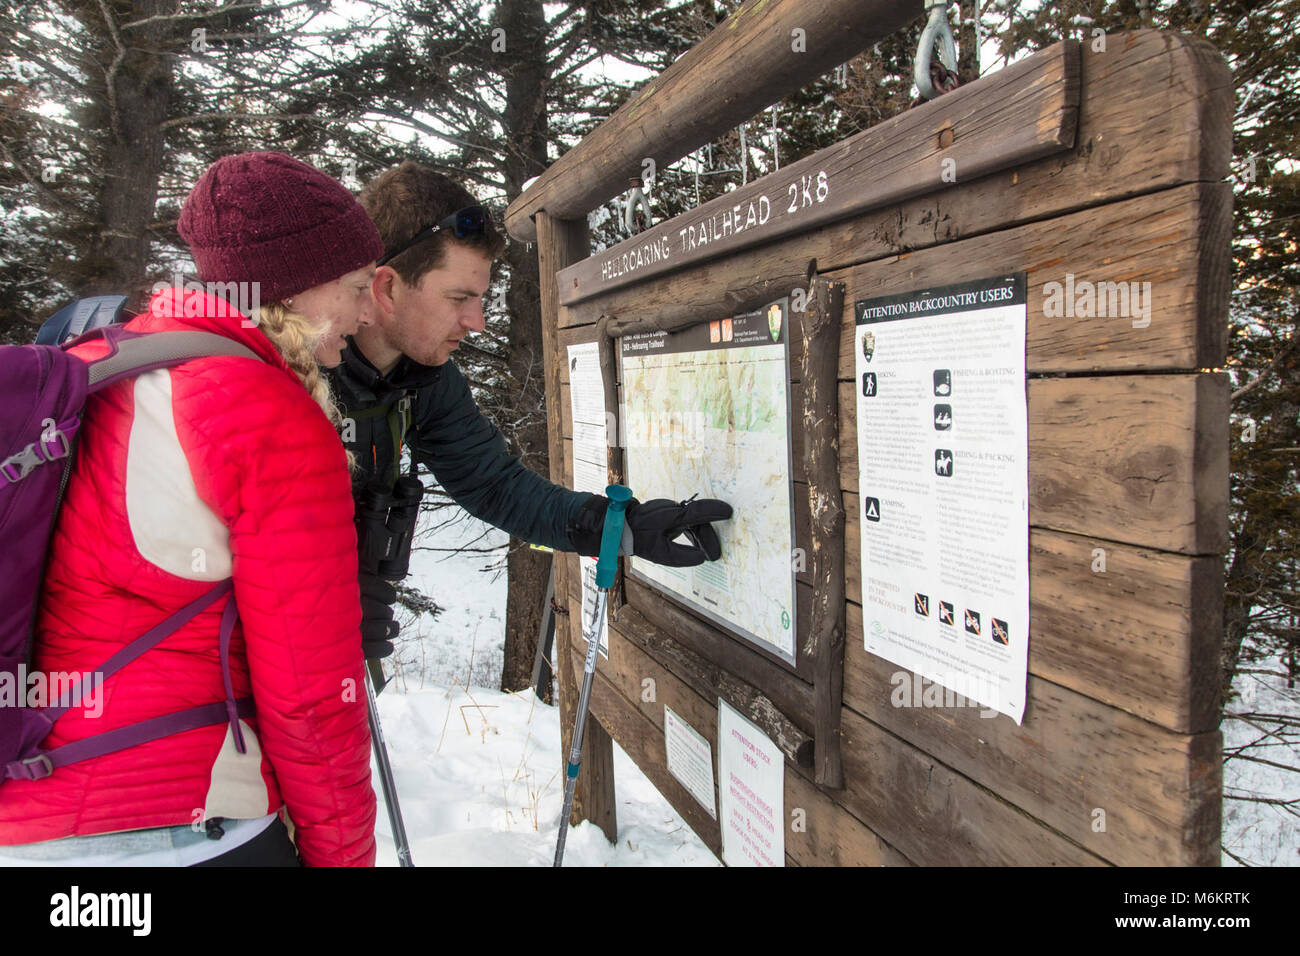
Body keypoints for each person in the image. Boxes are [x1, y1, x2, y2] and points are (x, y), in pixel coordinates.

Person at [0, 152, 382, 866]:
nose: (367, 312)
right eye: (357, 286)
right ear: (292, 290)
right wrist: (345, 857)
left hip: (28, 824)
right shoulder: (268, 415)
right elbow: (309, 696)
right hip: (181, 822)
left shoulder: (103, 366)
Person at [328, 161, 734, 664]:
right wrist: (317, 610)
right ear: (387, 288)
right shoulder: (292, 373)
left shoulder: (423, 379)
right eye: (459, 297)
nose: (475, 322)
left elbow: (494, 486)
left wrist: (617, 526)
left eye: (479, 298)